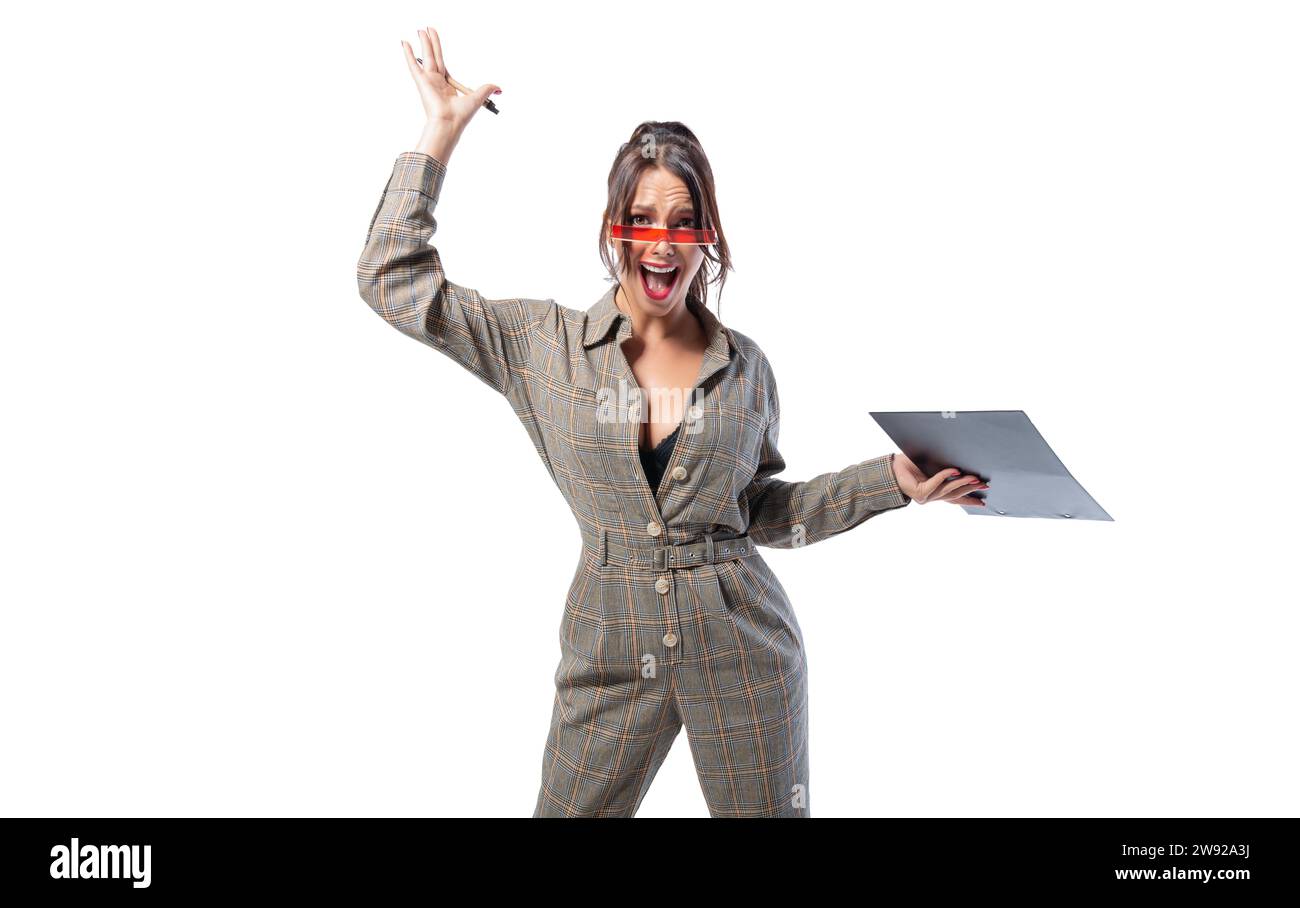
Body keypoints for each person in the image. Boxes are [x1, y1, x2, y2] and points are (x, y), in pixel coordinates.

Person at [356, 27, 989, 817]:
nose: (661, 244)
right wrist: (438, 137)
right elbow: (391, 280)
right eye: (642, 218)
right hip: (608, 647)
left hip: (745, 651)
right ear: (613, 225)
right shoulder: (540, 345)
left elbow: (761, 515)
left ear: (707, 236)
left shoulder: (747, 368)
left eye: (683, 221)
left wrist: (891, 483)